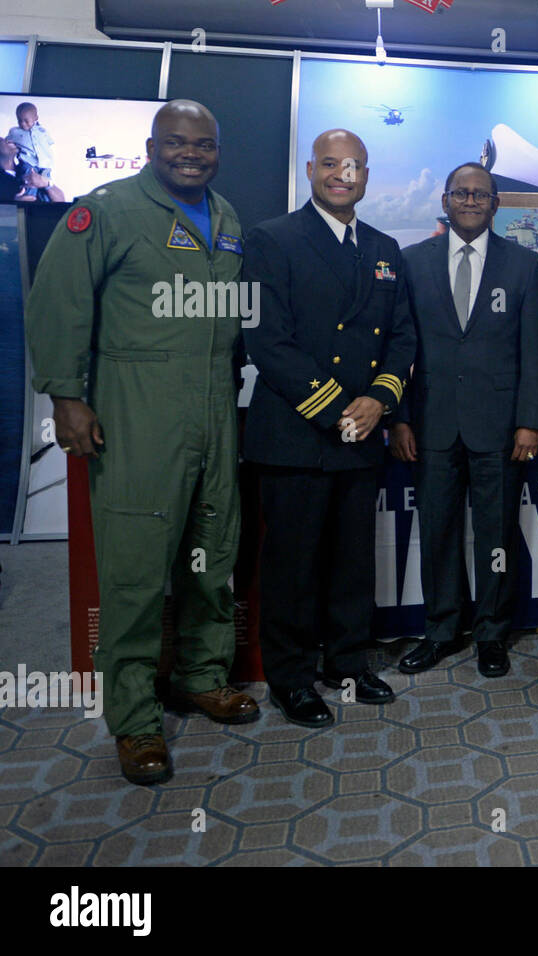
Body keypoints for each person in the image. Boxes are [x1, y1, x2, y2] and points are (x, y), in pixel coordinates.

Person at [25, 100, 256, 786]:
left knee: (211, 550)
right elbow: (58, 300)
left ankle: (200, 676)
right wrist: (66, 396)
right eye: (177, 142)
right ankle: (133, 717)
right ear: (152, 148)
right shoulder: (106, 212)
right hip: (137, 405)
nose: (191, 154)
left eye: (204, 145)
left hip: (215, 405)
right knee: (135, 565)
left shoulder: (228, 216)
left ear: (217, 152)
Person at [242, 128, 417, 728]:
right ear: (311, 169)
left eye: (356, 165)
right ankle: (290, 678)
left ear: (366, 175)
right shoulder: (272, 239)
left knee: (352, 562)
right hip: (297, 433)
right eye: (332, 163)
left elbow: (402, 338)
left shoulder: (385, 247)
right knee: (293, 566)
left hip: (361, 434)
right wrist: (339, 406)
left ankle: (348, 662)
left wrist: (379, 401)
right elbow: (266, 339)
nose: (344, 174)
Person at [390, 162, 538, 678]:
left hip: (500, 427)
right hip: (430, 424)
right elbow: (398, 347)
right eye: (461, 193)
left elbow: (536, 353)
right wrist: (399, 418)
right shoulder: (411, 262)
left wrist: (530, 422)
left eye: (481, 194)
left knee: (495, 534)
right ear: (445, 200)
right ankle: (442, 630)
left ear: (496, 204)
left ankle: (492, 633)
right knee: (437, 531)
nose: (470, 201)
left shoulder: (525, 265)